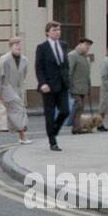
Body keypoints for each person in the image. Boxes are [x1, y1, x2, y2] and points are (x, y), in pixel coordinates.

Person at [35, 21, 71, 151]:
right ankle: (53, 141)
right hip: (48, 86)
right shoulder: (42, 47)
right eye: (54, 30)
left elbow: (65, 66)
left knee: (65, 111)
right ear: (47, 33)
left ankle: (53, 130)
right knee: (50, 114)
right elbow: (39, 68)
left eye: (59, 29)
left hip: (62, 84)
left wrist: (68, 80)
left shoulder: (63, 45)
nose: (57, 32)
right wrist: (43, 83)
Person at [0, 38, 30, 145]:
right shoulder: (4, 59)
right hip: (6, 89)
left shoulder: (25, 60)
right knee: (18, 111)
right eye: (15, 45)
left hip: (17, 89)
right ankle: (23, 136)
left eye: (19, 44)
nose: (18, 46)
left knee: (8, 115)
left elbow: (24, 76)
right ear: (10, 47)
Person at [67, 38, 101, 134]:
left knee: (80, 107)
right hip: (74, 87)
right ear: (80, 44)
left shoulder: (86, 57)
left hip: (83, 87)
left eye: (89, 46)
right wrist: (69, 86)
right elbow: (69, 72)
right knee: (78, 106)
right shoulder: (73, 55)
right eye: (86, 45)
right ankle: (76, 128)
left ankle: (77, 127)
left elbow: (87, 74)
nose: (88, 47)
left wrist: (89, 86)